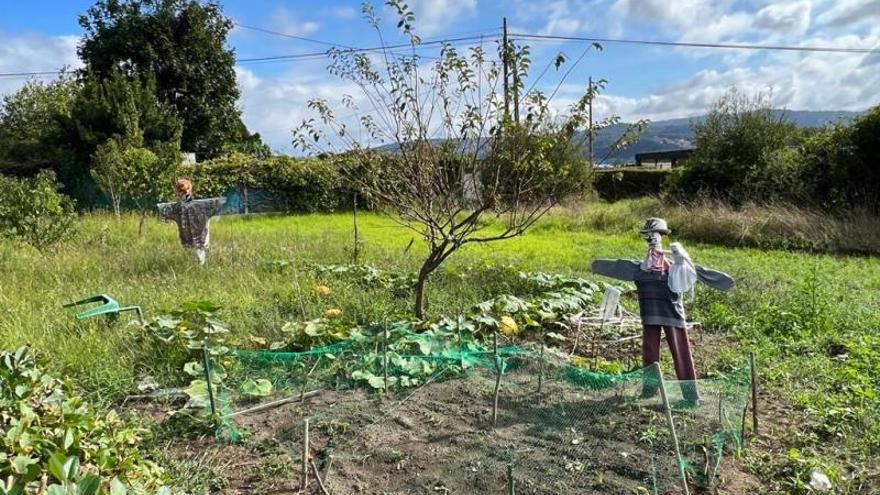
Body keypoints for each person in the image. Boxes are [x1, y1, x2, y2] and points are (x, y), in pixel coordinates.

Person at [591, 218, 734, 406]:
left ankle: (691, 396)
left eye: (655, 235)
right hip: (649, 313)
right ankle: (649, 390)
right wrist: (596, 265)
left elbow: (694, 275)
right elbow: (618, 266)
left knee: (680, 352)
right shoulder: (641, 267)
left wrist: (682, 260)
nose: (651, 238)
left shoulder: (676, 267)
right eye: (647, 236)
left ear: (663, 236)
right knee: (650, 352)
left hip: (671, 314)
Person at [157, 178, 226, 265]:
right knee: (189, 258)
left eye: (185, 190)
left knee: (199, 257)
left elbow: (219, 204)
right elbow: (164, 210)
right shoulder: (178, 207)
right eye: (181, 191)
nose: (184, 193)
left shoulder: (201, 205)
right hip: (187, 238)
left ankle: (200, 269)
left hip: (200, 238)